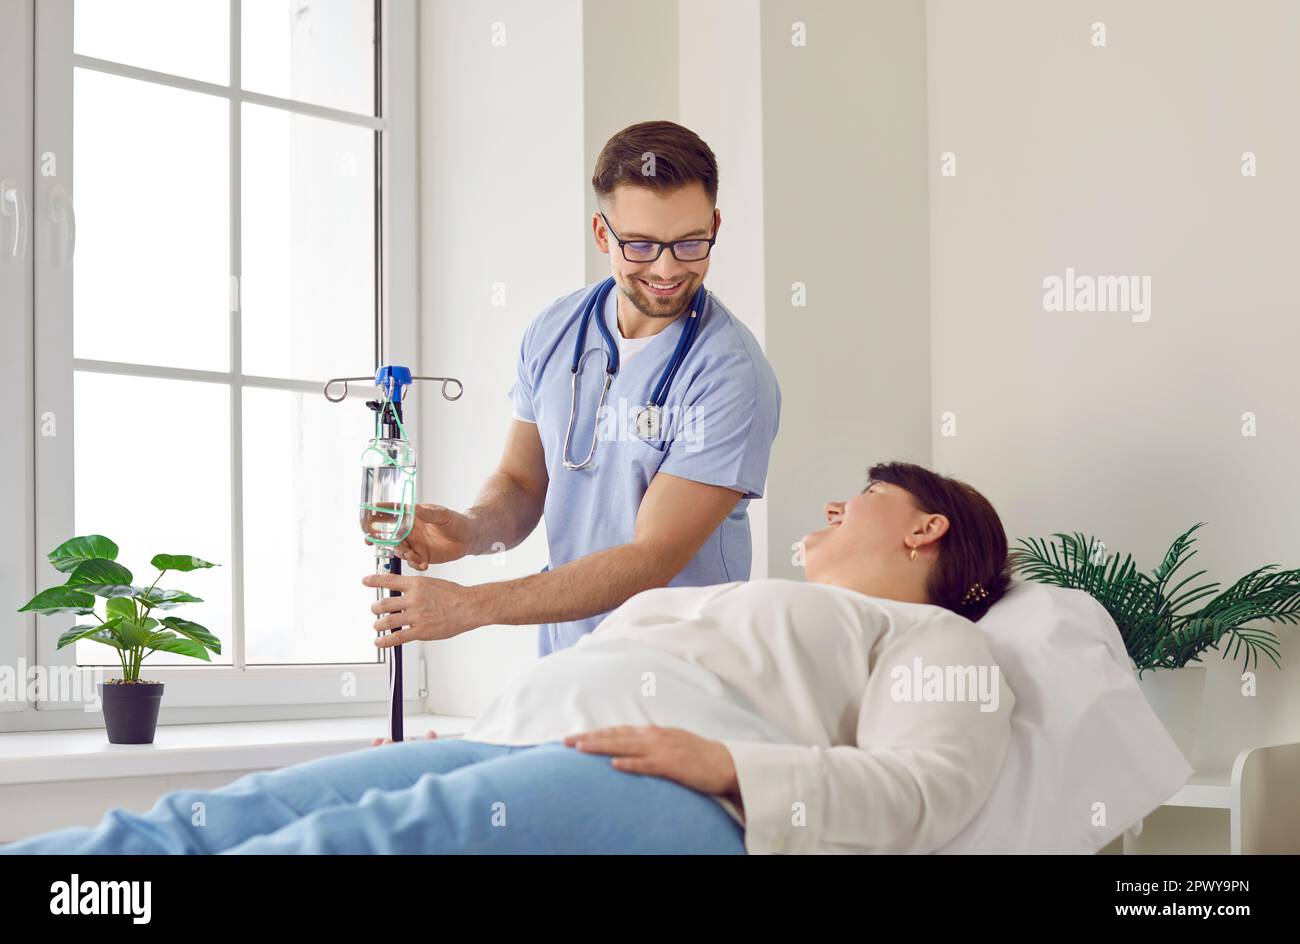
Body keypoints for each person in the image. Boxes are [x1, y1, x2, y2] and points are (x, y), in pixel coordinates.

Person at [1, 462, 1015, 855]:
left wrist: (730, 767)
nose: (834, 506)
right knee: (219, 817)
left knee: (355, 845)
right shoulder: (750, 600)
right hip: (515, 740)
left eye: (862, 499)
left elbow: (927, 787)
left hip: (680, 787)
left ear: (924, 527)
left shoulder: (937, 638)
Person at [360, 120, 781, 657]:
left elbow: (650, 559)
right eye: (641, 245)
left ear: (716, 224)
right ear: (603, 233)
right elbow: (522, 481)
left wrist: (469, 605)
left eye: (691, 243)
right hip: (567, 662)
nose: (668, 268)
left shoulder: (731, 374)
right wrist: (469, 531)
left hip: (682, 671)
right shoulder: (556, 329)